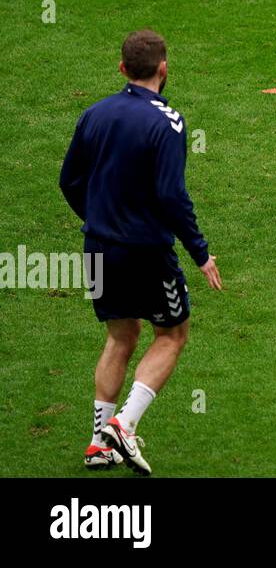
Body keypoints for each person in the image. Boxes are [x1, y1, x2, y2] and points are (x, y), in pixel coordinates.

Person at [59, 29, 223, 475]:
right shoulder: (167, 121)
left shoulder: (93, 114)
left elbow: (69, 181)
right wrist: (200, 252)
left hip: (97, 247)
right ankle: (125, 426)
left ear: (122, 69)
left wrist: (98, 218)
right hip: (146, 251)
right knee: (172, 333)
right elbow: (172, 196)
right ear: (163, 68)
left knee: (119, 336)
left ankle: (98, 443)